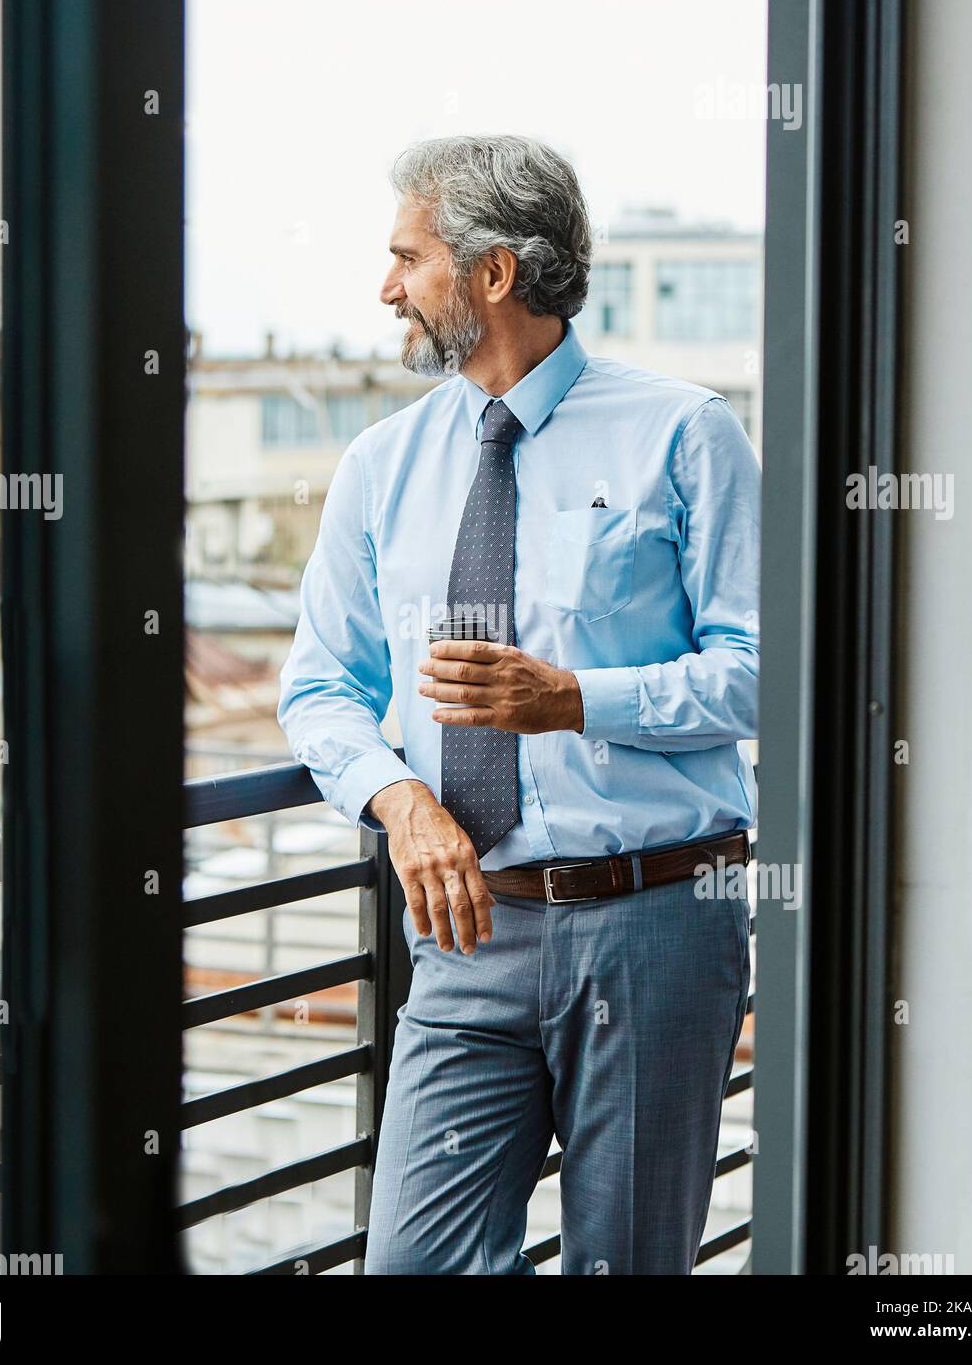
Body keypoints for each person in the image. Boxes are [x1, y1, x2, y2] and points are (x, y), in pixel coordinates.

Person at [278, 135, 759, 1274]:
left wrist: (573, 699)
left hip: (653, 925)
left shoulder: (685, 433)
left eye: (408, 258)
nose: (386, 287)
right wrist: (399, 802)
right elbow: (316, 685)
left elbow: (761, 669)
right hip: (464, 929)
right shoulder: (380, 466)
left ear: (493, 274)